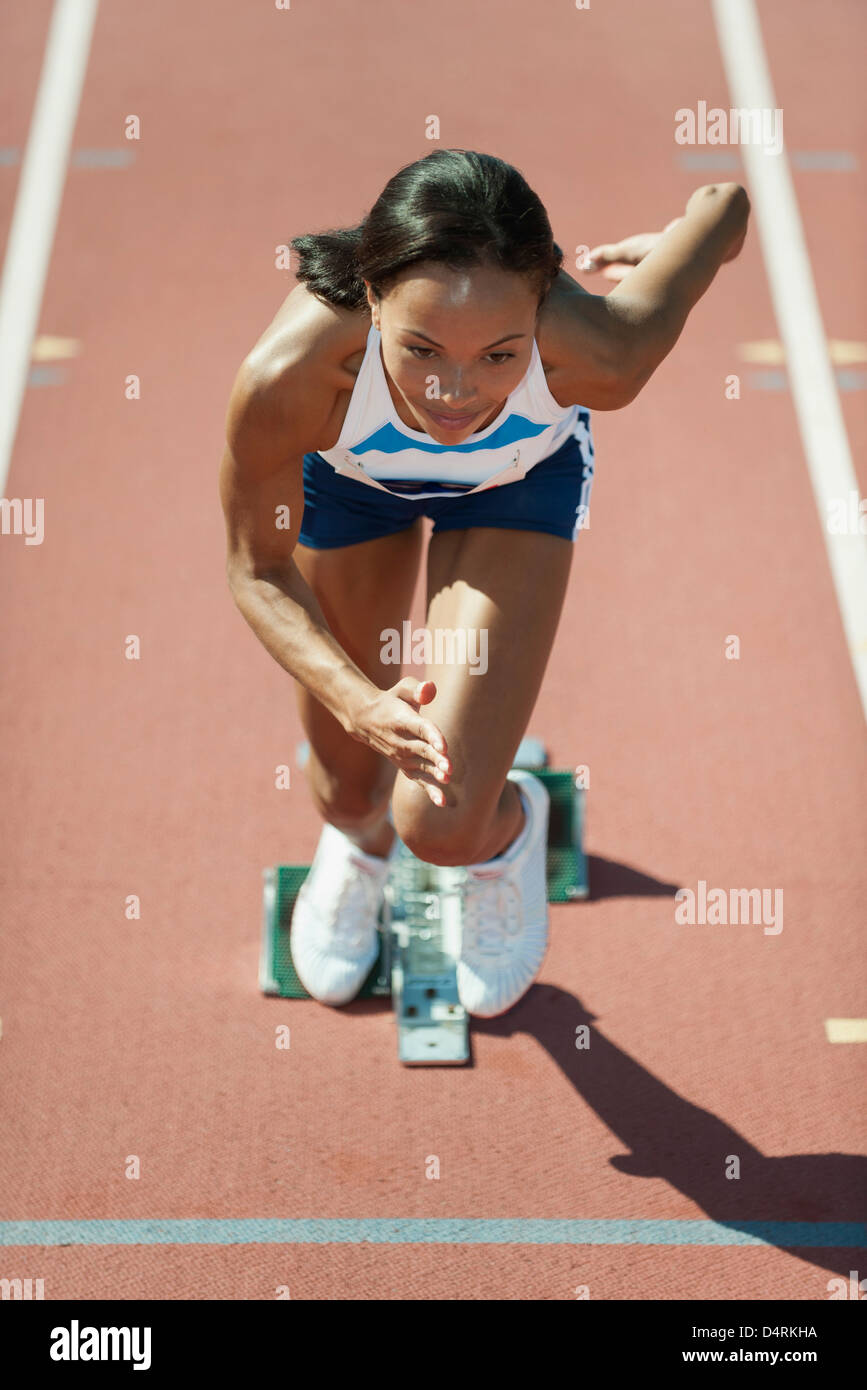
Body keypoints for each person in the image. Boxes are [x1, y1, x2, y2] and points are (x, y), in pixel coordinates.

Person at [219, 149, 749, 1019]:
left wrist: (674, 251)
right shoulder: (289, 381)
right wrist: (358, 701)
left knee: (442, 822)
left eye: (501, 355)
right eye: (420, 349)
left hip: (515, 488)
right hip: (350, 490)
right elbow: (257, 568)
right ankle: (353, 845)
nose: (455, 394)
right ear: (371, 293)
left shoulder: (604, 351)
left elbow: (724, 203)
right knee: (349, 784)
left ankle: (508, 838)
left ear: (543, 298)